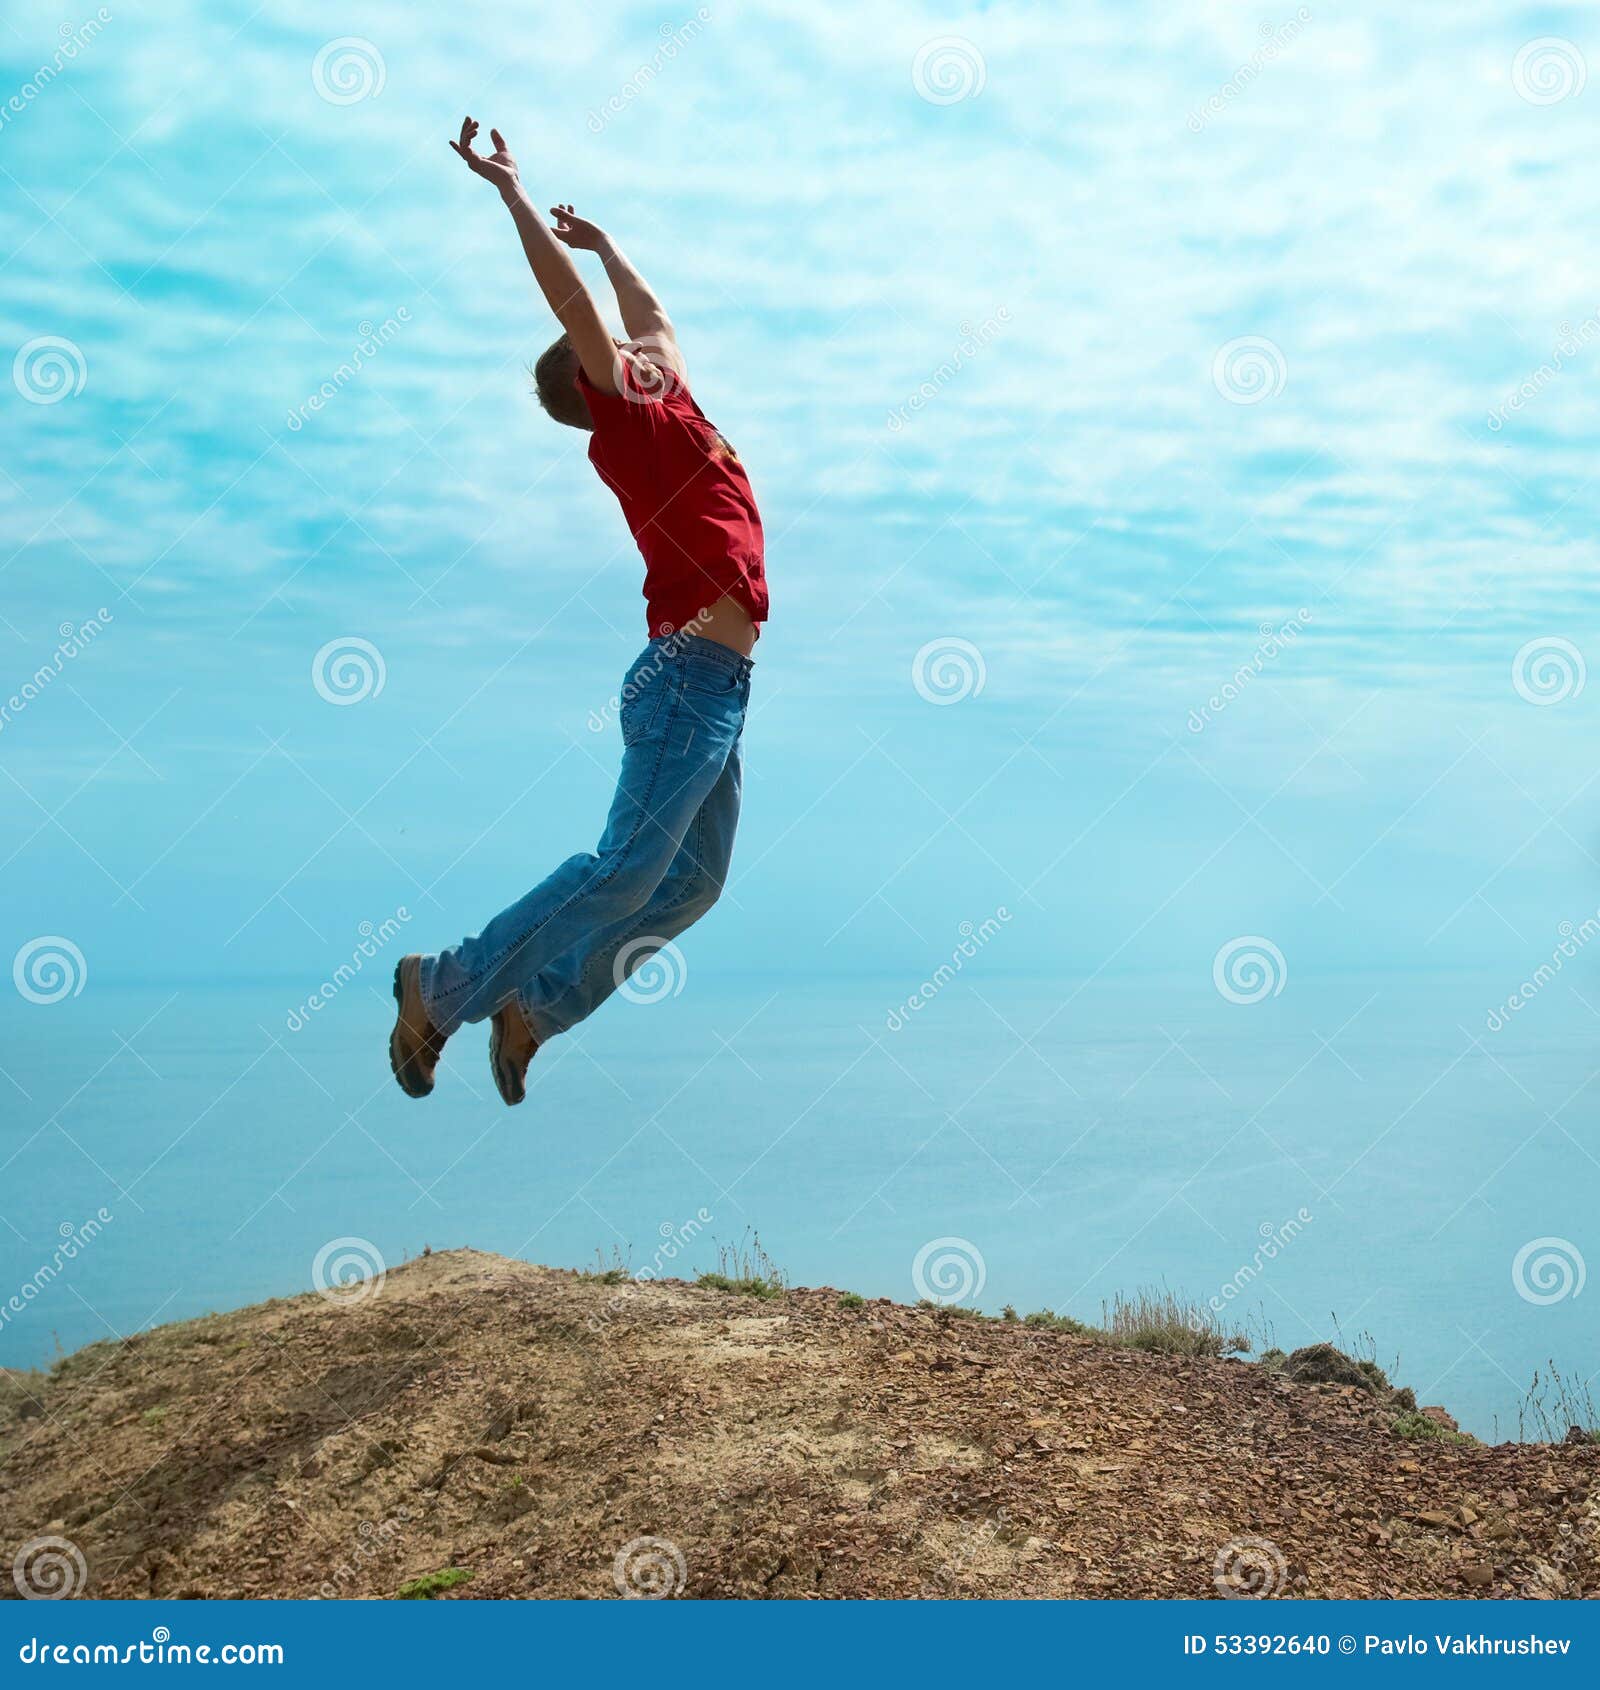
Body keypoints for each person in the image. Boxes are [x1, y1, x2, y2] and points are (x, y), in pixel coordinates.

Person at [389, 118, 768, 1106]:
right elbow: (579, 310)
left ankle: (537, 1007)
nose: (641, 343)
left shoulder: (675, 404)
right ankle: (443, 986)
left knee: (689, 885)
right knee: (625, 872)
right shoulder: (634, 427)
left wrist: (608, 246)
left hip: (718, 686)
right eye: (614, 347)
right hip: (684, 677)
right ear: (598, 380)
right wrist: (515, 197)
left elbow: (653, 315)